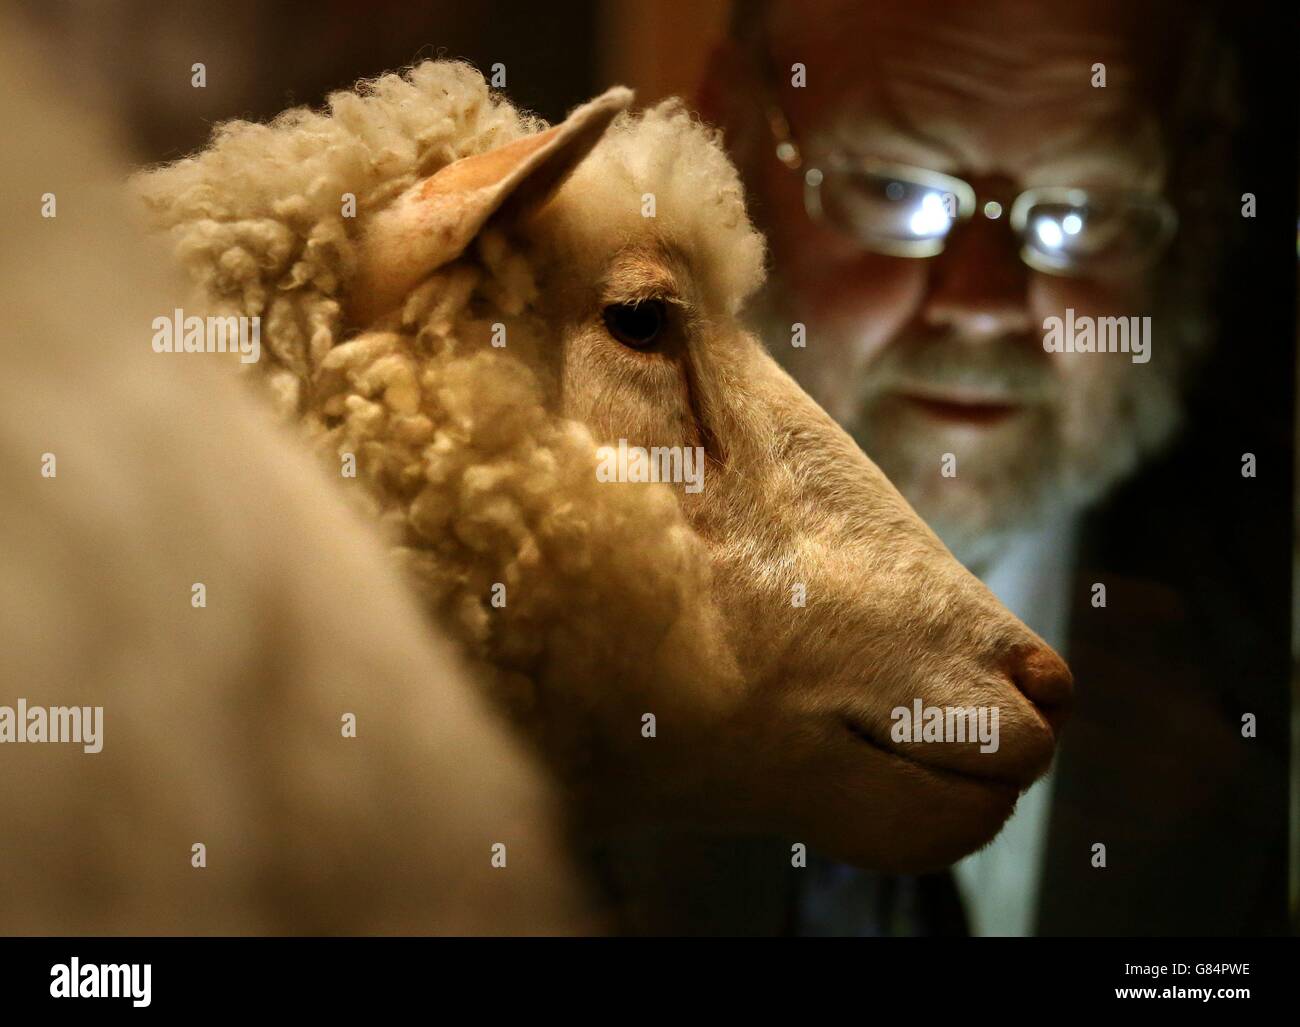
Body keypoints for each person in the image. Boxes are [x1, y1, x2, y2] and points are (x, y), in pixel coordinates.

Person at [698, 0, 1290, 935]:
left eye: (1081, 210)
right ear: (725, 138)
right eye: (897, 190)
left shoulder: (1267, 647)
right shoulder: (530, 608)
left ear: (1196, 198)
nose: (983, 300)